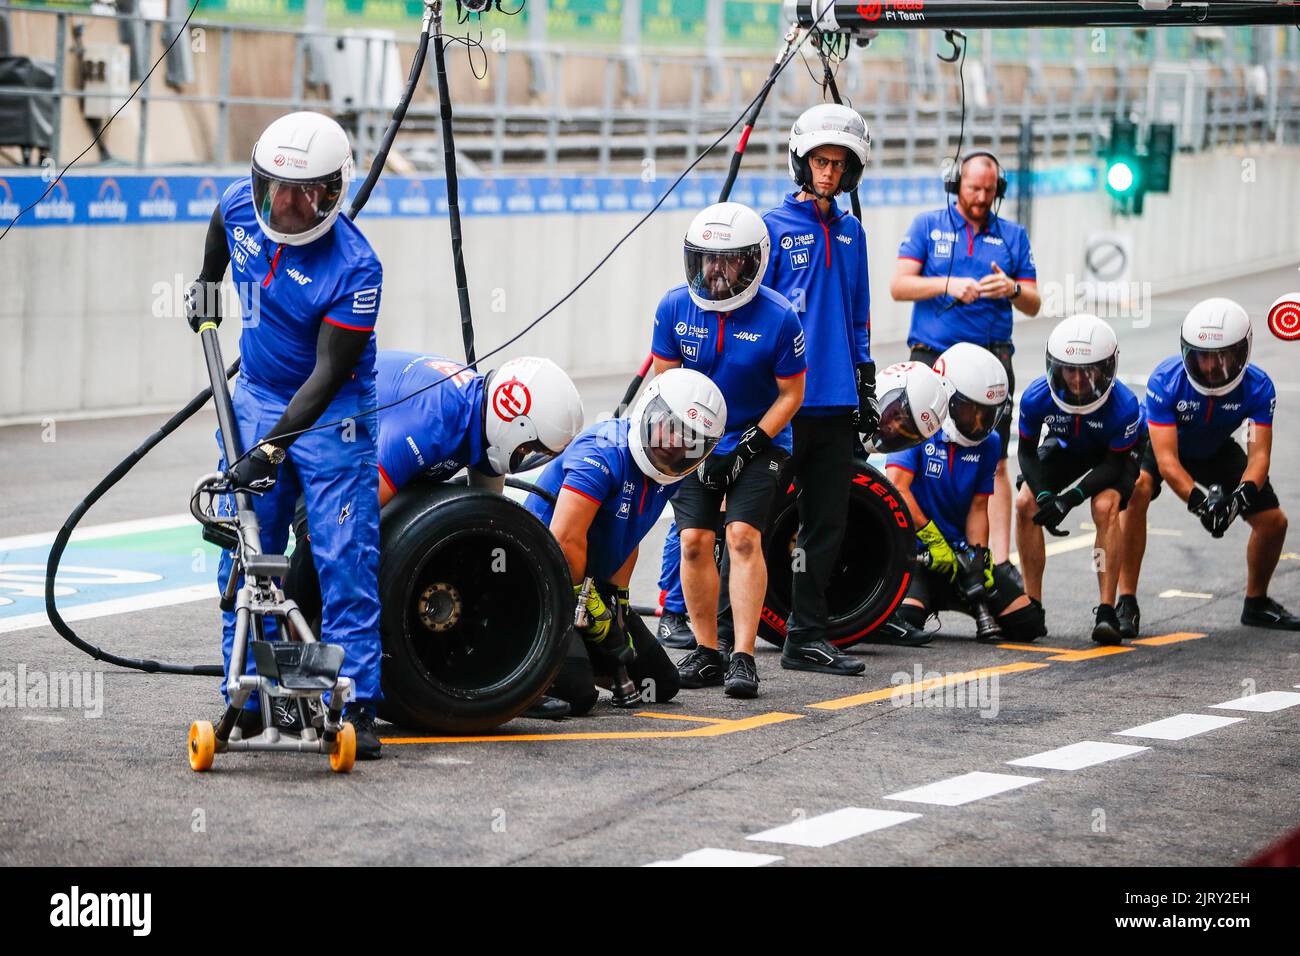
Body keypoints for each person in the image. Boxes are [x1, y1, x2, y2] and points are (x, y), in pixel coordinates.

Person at [185, 111, 386, 756]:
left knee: (342, 559)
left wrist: (272, 448)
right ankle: (247, 695)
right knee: (249, 552)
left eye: (308, 194)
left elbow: (329, 373)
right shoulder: (242, 205)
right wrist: (207, 283)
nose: (290, 206)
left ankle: (353, 703)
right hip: (255, 395)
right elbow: (220, 230)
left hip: (333, 413)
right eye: (277, 188)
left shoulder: (356, 268)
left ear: (333, 192)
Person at [283, 351, 585, 722]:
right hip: (329, 443)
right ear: (515, 424)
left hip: (383, 444)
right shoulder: (433, 422)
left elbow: (488, 523)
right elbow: (348, 515)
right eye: (531, 450)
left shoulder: (484, 415)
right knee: (324, 543)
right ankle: (289, 679)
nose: (530, 458)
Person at [655, 201, 857, 699]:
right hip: (695, 438)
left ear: (753, 262)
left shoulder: (780, 316)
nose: (716, 271)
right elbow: (665, 385)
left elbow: (793, 394)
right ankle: (707, 651)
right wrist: (697, 449)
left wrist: (749, 445)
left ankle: (742, 656)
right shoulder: (673, 307)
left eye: (728, 260)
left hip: (759, 438)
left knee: (743, 535)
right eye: (706, 259)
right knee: (695, 542)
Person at [524, 368, 727, 715]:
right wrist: (589, 609)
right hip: (541, 582)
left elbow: (629, 534)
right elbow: (564, 539)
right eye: (672, 429)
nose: (676, 445)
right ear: (649, 408)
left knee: (660, 684)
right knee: (577, 697)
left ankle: (584, 658)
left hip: (590, 588)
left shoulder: (673, 473)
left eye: (690, 441)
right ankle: (533, 666)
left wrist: (618, 603)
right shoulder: (602, 452)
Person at [759, 103, 884, 647]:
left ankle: (806, 637)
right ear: (801, 162)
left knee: (825, 524)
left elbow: (858, 316)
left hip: (835, 405)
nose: (828, 172)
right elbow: (751, 313)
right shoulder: (769, 228)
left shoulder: (854, 232)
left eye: (838, 164)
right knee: (750, 524)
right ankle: (717, 639)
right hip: (783, 404)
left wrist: (865, 383)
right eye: (819, 161)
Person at [890, 151, 1041, 568]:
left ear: (999, 191)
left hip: (990, 363)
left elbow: (1033, 303)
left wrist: (1011, 287)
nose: (981, 198)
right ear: (957, 184)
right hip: (931, 358)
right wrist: (949, 285)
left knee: (994, 460)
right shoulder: (927, 224)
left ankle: (996, 560)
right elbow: (899, 286)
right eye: (974, 188)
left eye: (989, 191)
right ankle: (909, 554)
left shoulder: (1013, 235)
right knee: (912, 452)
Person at [1117, 298, 1298, 634]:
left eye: (1222, 357)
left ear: (1242, 351)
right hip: (1161, 444)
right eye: (1202, 355)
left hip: (1214, 448)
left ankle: (1256, 603)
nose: (1212, 367)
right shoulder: (1166, 380)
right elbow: (1168, 461)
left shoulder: (1258, 387)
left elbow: (1258, 458)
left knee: (1274, 523)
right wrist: (1202, 506)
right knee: (1137, 490)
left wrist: (1239, 499)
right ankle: (1125, 601)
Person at [883, 344, 1047, 645]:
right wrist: (932, 538)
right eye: (973, 411)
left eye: (988, 414)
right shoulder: (920, 422)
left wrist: (978, 558)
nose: (980, 423)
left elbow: (978, 507)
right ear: (948, 397)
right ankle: (924, 597)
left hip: (957, 555)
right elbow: (897, 488)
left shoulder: (989, 443)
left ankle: (963, 595)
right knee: (906, 623)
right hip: (917, 553)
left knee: (1029, 625)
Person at [1015, 314, 1145, 645]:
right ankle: (1033, 606)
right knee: (1025, 502)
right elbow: (1027, 453)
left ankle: (1106, 610)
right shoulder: (1035, 397)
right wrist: (1046, 497)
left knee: (1104, 507)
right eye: (1067, 369)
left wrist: (1069, 498)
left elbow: (1113, 466)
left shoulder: (1125, 406)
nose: (1075, 379)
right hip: (1067, 446)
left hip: (1112, 456)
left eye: (1086, 371)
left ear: (1107, 369)